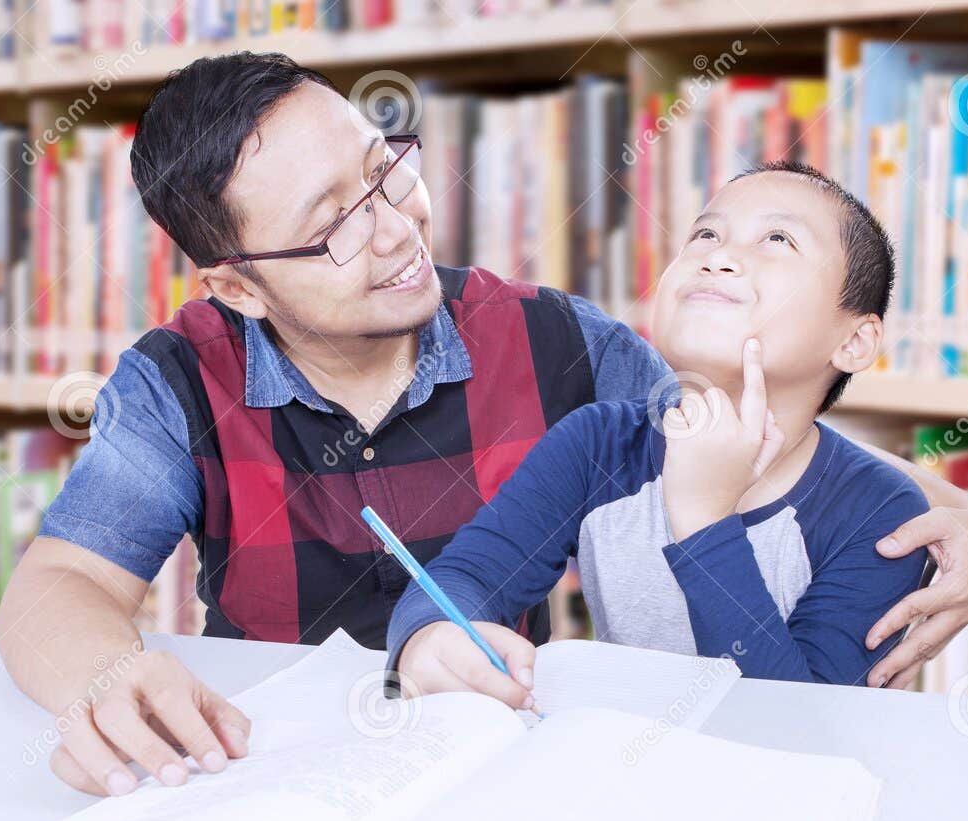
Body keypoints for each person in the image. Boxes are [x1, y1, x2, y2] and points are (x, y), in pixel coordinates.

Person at [0, 53, 968, 796]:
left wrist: (964, 509)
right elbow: (62, 582)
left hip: (496, 771)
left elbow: (751, 433)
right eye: (334, 224)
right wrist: (109, 675)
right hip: (266, 771)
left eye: (385, 169)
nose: (394, 228)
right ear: (239, 287)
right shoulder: (176, 378)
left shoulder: (555, 340)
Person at [391, 162, 931, 697]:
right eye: (705, 234)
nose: (717, 256)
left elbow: (798, 721)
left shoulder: (880, 512)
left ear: (854, 342)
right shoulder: (596, 443)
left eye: (777, 239)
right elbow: (465, 578)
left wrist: (705, 521)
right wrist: (431, 633)